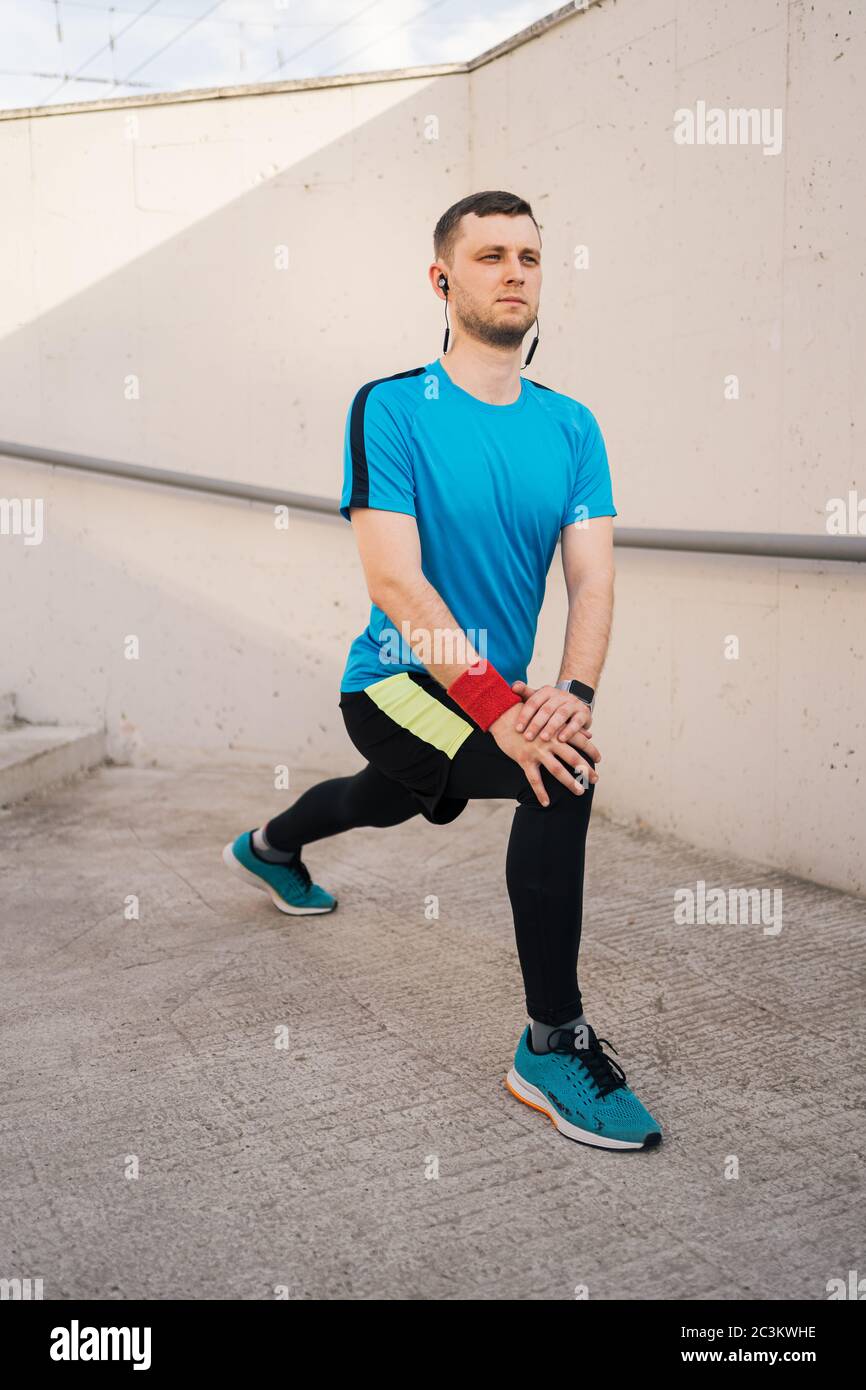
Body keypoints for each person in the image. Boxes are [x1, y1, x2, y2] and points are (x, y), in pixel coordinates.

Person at [223, 190, 661, 1151]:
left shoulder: (572, 426)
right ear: (443, 278)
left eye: (531, 258)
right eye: (492, 254)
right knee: (562, 776)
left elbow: (592, 579)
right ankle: (551, 1043)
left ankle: (268, 846)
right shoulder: (391, 408)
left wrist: (570, 691)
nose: (514, 272)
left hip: (487, 695)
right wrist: (503, 713)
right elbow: (393, 576)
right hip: (393, 683)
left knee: (381, 799)